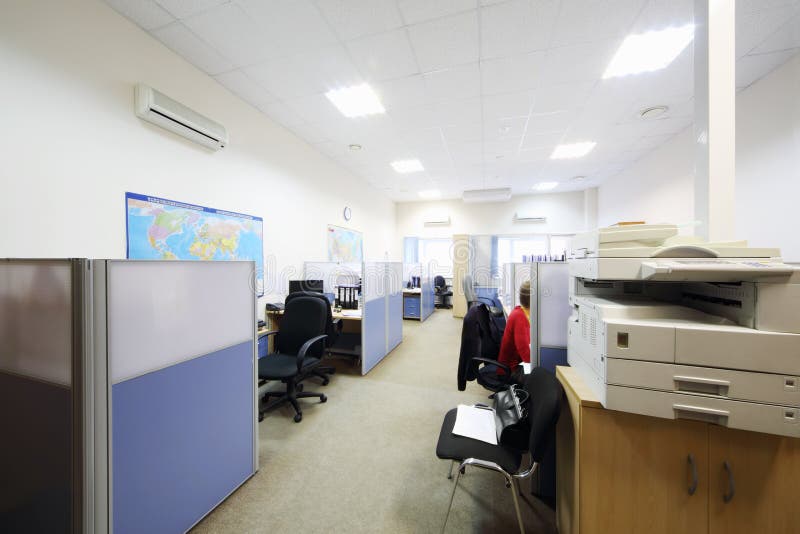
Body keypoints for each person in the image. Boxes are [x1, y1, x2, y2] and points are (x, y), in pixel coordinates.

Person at [497, 280, 531, 376]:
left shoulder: (522, 312)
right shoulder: (520, 317)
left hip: (516, 364)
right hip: (510, 370)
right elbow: (527, 357)